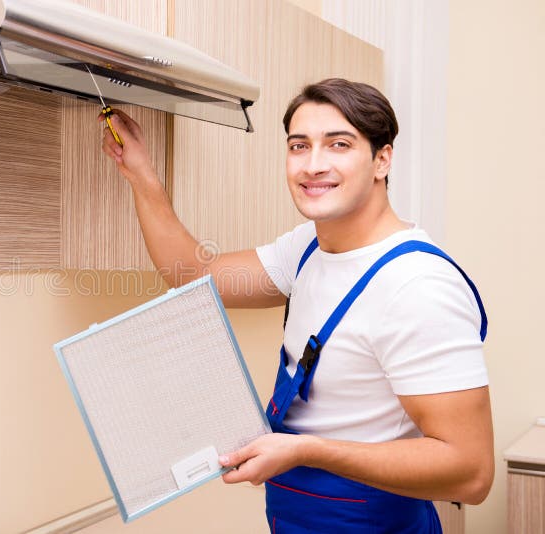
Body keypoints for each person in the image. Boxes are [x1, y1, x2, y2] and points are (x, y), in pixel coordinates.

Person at [99, 78, 493, 533]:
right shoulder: (307, 248)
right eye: (299, 146)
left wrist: (307, 450)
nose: (313, 165)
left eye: (338, 144)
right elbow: (193, 273)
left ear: (382, 159)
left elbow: (471, 472)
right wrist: (141, 173)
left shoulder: (417, 287)